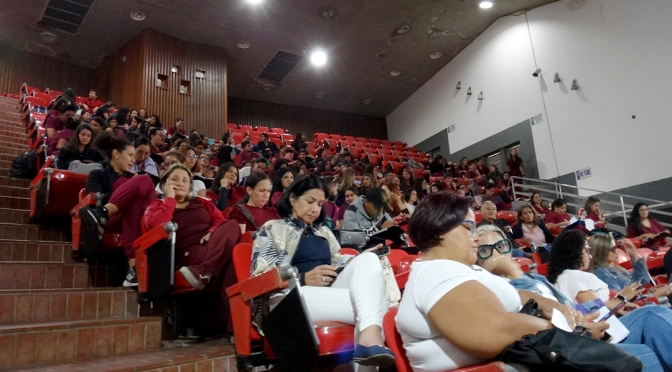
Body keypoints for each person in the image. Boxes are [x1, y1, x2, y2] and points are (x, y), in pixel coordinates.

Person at [397, 192, 560, 371]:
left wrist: (551, 306)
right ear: (441, 229)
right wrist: (567, 333)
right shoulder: (435, 272)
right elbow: (496, 331)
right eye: (468, 228)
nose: (476, 237)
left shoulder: (465, 268)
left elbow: (515, 294)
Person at [476, 225, 670, 371]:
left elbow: (572, 309)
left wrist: (611, 307)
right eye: (486, 250)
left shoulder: (536, 278)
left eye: (501, 246)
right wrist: (511, 271)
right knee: (654, 351)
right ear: (476, 258)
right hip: (564, 349)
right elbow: (528, 313)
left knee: (652, 314)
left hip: (585, 333)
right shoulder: (488, 288)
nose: (497, 254)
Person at [251, 175, 395, 368]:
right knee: (377, 304)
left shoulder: (323, 232)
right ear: (293, 198)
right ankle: (370, 340)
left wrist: (359, 259)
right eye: (310, 201)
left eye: (320, 204)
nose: (315, 209)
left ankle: (369, 339)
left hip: (327, 293)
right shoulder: (273, 228)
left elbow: (337, 261)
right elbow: (259, 277)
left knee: (368, 259)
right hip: (290, 299)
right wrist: (301, 278)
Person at [548, 230, 672, 370]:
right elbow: (596, 311)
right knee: (652, 313)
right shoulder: (572, 276)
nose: (589, 252)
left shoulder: (573, 276)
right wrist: (622, 300)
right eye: (585, 248)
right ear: (574, 253)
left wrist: (621, 303)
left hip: (610, 326)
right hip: (606, 331)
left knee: (657, 353)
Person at [142, 164, 241, 328]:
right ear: (164, 183)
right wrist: (170, 199)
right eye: (174, 179)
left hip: (211, 247)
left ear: (190, 186)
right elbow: (155, 226)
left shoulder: (202, 202)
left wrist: (212, 231)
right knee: (232, 264)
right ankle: (236, 328)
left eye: (185, 180)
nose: (180, 183)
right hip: (188, 254)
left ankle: (205, 272)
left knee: (232, 225)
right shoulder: (156, 206)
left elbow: (220, 222)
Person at [79, 133, 157, 286]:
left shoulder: (133, 177)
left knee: (141, 193)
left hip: (140, 216)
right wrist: (127, 192)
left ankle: (134, 270)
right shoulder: (99, 174)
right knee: (142, 185)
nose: (133, 160)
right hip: (107, 220)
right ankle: (134, 266)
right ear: (116, 154)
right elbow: (94, 199)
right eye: (130, 155)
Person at [588, 233, 672, 295]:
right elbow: (620, 301)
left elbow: (643, 281)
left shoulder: (616, 269)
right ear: (602, 252)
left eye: (616, 247)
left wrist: (634, 255)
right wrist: (653, 296)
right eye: (613, 249)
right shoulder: (601, 273)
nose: (617, 251)